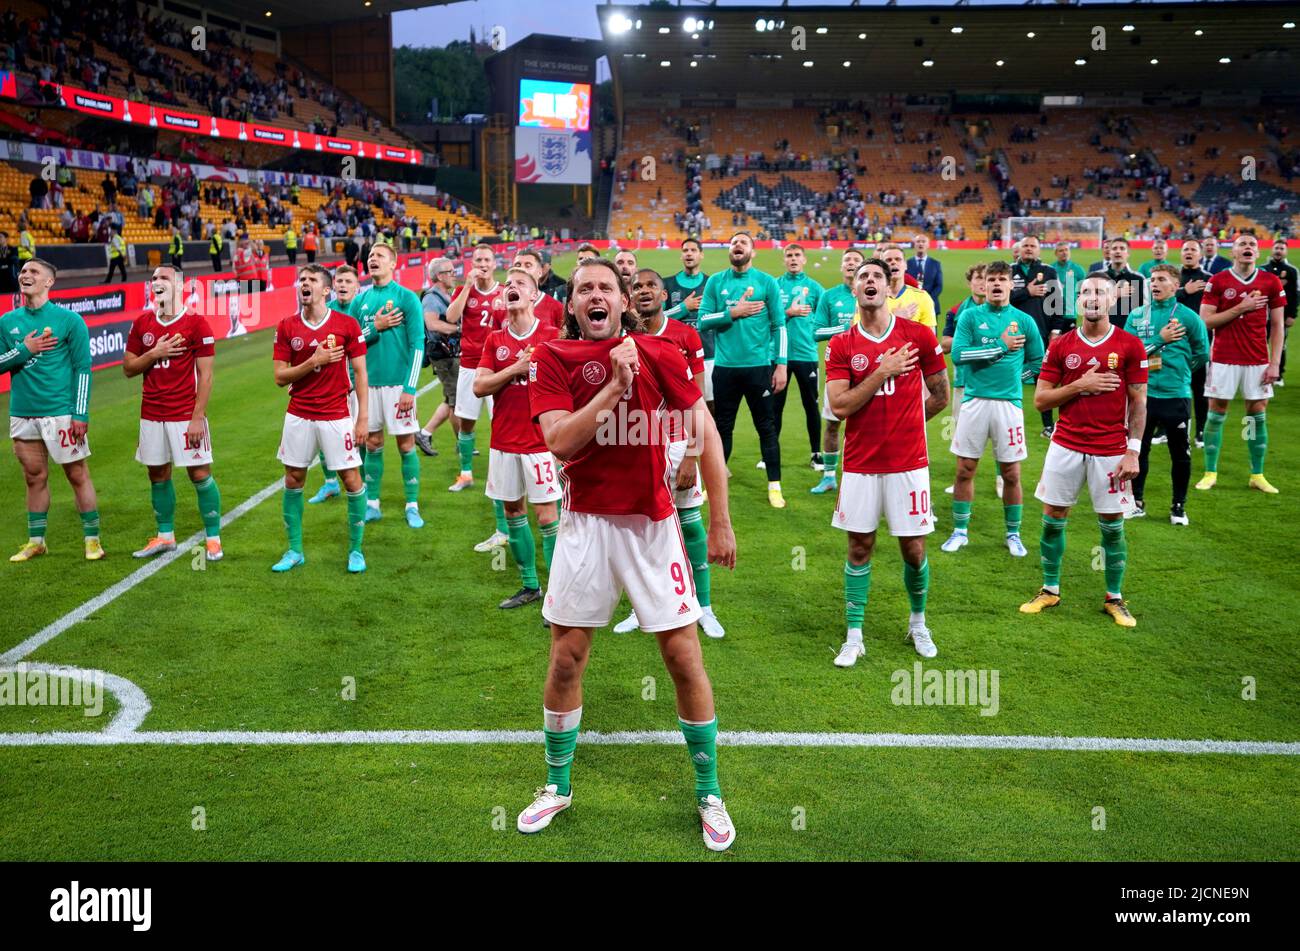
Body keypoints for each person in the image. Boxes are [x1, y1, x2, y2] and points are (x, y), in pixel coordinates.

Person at [519, 257, 738, 852]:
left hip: (653, 527)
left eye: (606, 289)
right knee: (566, 658)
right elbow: (560, 441)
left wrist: (719, 520)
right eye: (584, 289)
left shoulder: (663, 354)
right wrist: (615, 387)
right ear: (571, 305)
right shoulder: (551, 359)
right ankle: (556, 785)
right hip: (584, 527)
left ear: (622, 304)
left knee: (683, 657)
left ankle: (709, 791)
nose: (595, 296)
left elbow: (706, 432)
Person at [826, 257, 950, 668]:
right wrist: (882, 372)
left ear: (889, 287)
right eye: (862, 277)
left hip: (909, 463)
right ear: (854, 290)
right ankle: (854, 635)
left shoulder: (917, 336)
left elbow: (940, 394)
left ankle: (918, 622)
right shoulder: (842, 345)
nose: (869, 281)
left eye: (877, 275)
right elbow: (839, 406)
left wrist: (909, 423)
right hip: (860, 464)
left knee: (913, 549)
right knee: (859, 548)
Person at [1020, 273, 1147, 628]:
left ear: (1112, 300)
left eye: (1100, 293)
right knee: (1052, 518)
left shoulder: (1130, 345)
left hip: (1111, 449)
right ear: (1078, 300)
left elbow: (1139, 403)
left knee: (1111, 526)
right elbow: (1041, 399)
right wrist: (1081, 384)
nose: (1092, 298)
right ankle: (1049, 589)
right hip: (1066, 445)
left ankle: (1114, 597)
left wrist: (1133, 450)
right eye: (1086, 292)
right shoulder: (1061, 345)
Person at [612, 268, 725, 639]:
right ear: (628, 298)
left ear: (665, 297)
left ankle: (703, 606)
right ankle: (640, 608)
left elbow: (697, 400)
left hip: (678, 443)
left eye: (651, 287)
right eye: (637, 286)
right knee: (640, 527)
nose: (644, 291)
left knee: (690, 522)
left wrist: (692, 452)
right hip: (636, 443)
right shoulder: (621, 337)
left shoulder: (685, 335)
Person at [0, 259, 103, 562]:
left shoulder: (70, 321)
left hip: (60, 412)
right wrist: (25, 350)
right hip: (22, 413)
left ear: (49, 282)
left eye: (34, 272)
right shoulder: (7, 322)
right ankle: (36, 541)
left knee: (77, 474)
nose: (25, 275)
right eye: (23, 271)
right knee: (34, 477)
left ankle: (92, 540)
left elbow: (83, 368)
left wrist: (80, 413)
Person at [941, 260, 1044, 557]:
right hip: (974, 401)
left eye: (1002, 279)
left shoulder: (1024, 321)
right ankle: (960, 531)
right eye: (992, 280)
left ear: (1011, 284)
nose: (997, 284)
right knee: (965, 469)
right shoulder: (970, 317)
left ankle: (1014, 534)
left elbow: (1038, 361)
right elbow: (959, 355)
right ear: (984, 285)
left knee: (1011, 473)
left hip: (1009, 406)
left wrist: (1016, 378)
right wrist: (1000, 347)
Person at [271, 264, 369, 573]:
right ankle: (294, 550)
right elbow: (279, 377)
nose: (304, 283)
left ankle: (356, 550)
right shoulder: (287, 326)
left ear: (325, 290)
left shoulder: (346, 324)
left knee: (352, 481)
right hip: (299, 414)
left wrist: (363, 416)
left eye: (311, 279)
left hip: (336, 414)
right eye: (301, 280)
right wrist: (313, 361)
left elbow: (362, 373)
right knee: (294, 479)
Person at [473, 267, 560, 609]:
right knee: (513, 512)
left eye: (520, 284)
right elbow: (480, 385)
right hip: (504, 441)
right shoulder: (495, 340)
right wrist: (514, 369)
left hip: (541, 443)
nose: (511, 287)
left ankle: (556, 592)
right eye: (507, 284)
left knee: (547, 516)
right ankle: (530, 586)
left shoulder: (552, 335)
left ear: (534, 296)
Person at [123, 265, 224, 561]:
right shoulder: (142, 323)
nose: (156, 282)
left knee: (200, 473)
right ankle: (165, 536)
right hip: (151, 413)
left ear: (180, 286)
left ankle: (214, 539)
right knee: (157, 473)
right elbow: (128, 368)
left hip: (184, 414)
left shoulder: (196, 324)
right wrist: (154, 354)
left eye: (164, 278)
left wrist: (197, 417)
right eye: (153, 278)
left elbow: (206, 376)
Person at [698, 231, 788, 508]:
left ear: (753, 251)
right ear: (729, 250)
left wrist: (781, 364)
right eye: (733, 242)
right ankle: (714, 486)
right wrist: (732, 313)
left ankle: (774, 486)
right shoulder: (716, 282)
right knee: (722, 428)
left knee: (766, 428)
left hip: (759, 368)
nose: (737, 245)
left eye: (743, 242)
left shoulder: (766, 282)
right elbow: (702, 321)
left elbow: (779, 326)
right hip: (725, 369)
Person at [1195, 232, 1287, 494]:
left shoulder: (1270, 282)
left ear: (1258, 253)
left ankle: (1256, 474)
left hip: (1257, 360)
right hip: (1223, 358)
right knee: (1216, 413)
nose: (1248, 248)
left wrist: (1275, 363)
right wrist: (1241, 308)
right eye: (1242, 245)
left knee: (1255, 416)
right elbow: (1205, 322)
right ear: (1233, 252)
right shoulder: (1219, 281)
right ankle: (1210, 471)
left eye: (1252, 245)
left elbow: (1278, 325)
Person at [1125, 264, 1209, 524]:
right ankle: (1136, 501)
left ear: (1175, 285)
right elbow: (1129, 353)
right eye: (1152, 279)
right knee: (1138, 450)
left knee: (1180, 453)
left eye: (1161, 279)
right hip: (1143, 395)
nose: (1155, 284)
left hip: (1176, 395)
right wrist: (1160, 341)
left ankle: (1178, 506)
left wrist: (1182, 372)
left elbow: (1202, 353)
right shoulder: (1137, 315)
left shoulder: (1189, 317)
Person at [352, 243, 427, 528]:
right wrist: (375, 327)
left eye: (379, 256)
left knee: (406, 444)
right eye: (370, 256)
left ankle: (412, 505)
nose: (373, 259)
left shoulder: (407, 299)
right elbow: (353, 341)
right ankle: (372, 503)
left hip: (398, 386)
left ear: (393, 263)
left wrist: (410, 388)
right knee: (373, 443)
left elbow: (417, 344)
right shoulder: (361, 301)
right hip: (368, 386)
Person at [808, 247, 865, 494]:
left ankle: (862, 474)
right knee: (832, 423)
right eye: (847, 260)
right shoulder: (830, 297)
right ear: (842, 267)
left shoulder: (872, 295)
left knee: (866, 425)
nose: (851, 263)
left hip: (868, 371)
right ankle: (829, 476)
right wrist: (844, 328)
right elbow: (815, 332)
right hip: (839, 371)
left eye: (856, 260)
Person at [308, 265, 367, 505]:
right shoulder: (325, 312)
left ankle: (360, 483)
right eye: (339, 281)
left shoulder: (363, 311)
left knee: (359, 436)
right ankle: (330, 483)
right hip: (332, 389)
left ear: (357, 287)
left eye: (348, 282)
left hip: (358, 384)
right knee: (324, 439)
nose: (343, 285)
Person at [774, 243, 825, 472]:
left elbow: (826, 320)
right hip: (779, 356)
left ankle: (816, 453)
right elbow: (767, 319)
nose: (793, 259)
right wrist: (789, 312)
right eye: (789, 255)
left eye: (797, 255)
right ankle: (770, 454)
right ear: (784, 260)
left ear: (804, 259)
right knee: (774, 407)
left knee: (811, 406)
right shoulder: (774, 286)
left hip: (806, 354)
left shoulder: (815, 288)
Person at [1010, 236, 1059, 436]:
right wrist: (1027, 292)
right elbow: (1000, 298)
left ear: (1039, 250)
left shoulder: (1048, 272)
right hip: (1010, 332)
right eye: (1025, 246)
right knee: (1009, 376)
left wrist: (1055, 332)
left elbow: (1057, 303)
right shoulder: (1009, 270)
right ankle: (1008, 421)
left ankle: (1048, 426)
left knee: (1043, 379)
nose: (1029, 249)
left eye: (1033, 246)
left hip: (1040, 333)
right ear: (1019, 249)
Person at [414, 258, 461, 458]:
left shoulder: (444, 295)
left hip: (449, 353)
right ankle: (463, 442)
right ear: (440, 276)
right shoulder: (432, 298)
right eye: (450, 271)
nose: (454, 274)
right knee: (455, 401)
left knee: (451, 397)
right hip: (442, 355)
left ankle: (424, 433)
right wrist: (459, 330)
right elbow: (432, 324)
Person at [664, 238, 712, 412]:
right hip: (676, 358)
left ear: (701, 255)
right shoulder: (666, 284)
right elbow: (658, 319)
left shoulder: (711, 284)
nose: (689, 253)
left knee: (709, 410)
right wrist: (683, 308)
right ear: (681, 255)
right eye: (685, 250)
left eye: (693, 250)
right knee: (677, 410)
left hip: (708, 357)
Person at [1177, 239, 1214, 446]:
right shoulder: (1173, 278)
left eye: (1193, 249)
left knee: (1200, 390)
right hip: (1173, 343)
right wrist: (1184, 291)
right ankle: (1168, 429)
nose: (1189, 252)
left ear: (1200, 255)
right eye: (1186, 249)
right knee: (1172, 389)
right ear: (1181, 254)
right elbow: (1158, 301)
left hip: (1201, 344)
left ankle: (1201, 430)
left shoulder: (1210, 280)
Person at [1261, 237, 1297, 385]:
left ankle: (1279, 375)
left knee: (1280, 345)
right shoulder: (1262, 269)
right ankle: (1260, 370)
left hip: (1281, 316)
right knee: (1260, 343)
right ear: (1272, 249)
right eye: (1276, 248)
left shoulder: (1292, 271)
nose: (1278, 251)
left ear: (1286, 251)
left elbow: (1295, 294)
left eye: (1281, 248)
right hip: (1262, 315)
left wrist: (1292, 315)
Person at [906, 231, 943, 315]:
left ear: (928, 245)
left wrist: (927, 299)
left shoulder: (936, 264)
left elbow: (939, 286)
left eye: (923, 241)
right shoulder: (906, 264)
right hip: (911, 306)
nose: (920, 244)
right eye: (918, 241)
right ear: (914, 244)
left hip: (931, 304)